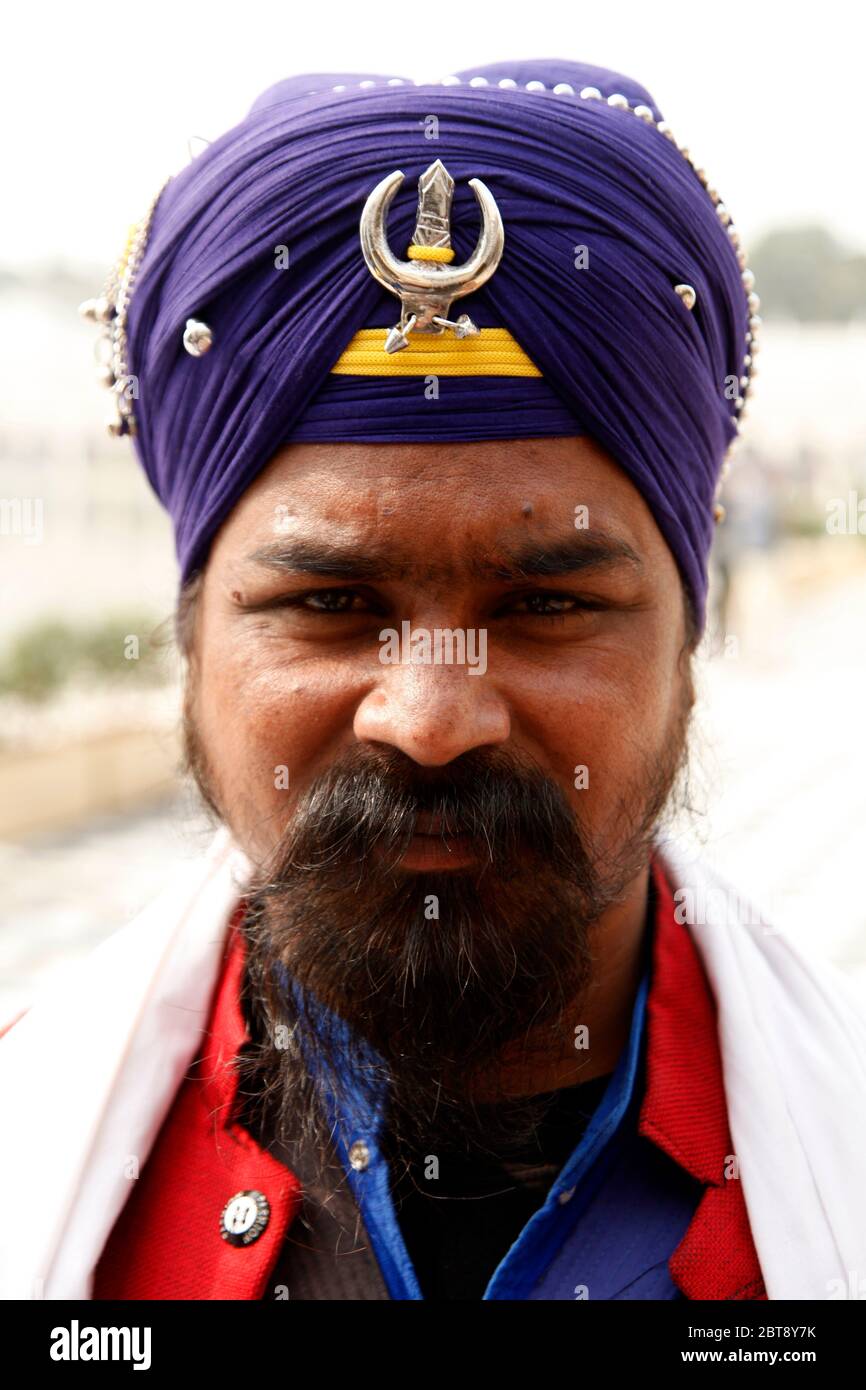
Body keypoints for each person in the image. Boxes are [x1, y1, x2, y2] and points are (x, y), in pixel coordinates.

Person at [2, 57, 864, 1303]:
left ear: (687, 633)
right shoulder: (37, 1157)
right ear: (192, 637)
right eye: (329, 606)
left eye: (548, 606)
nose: (432, 719)